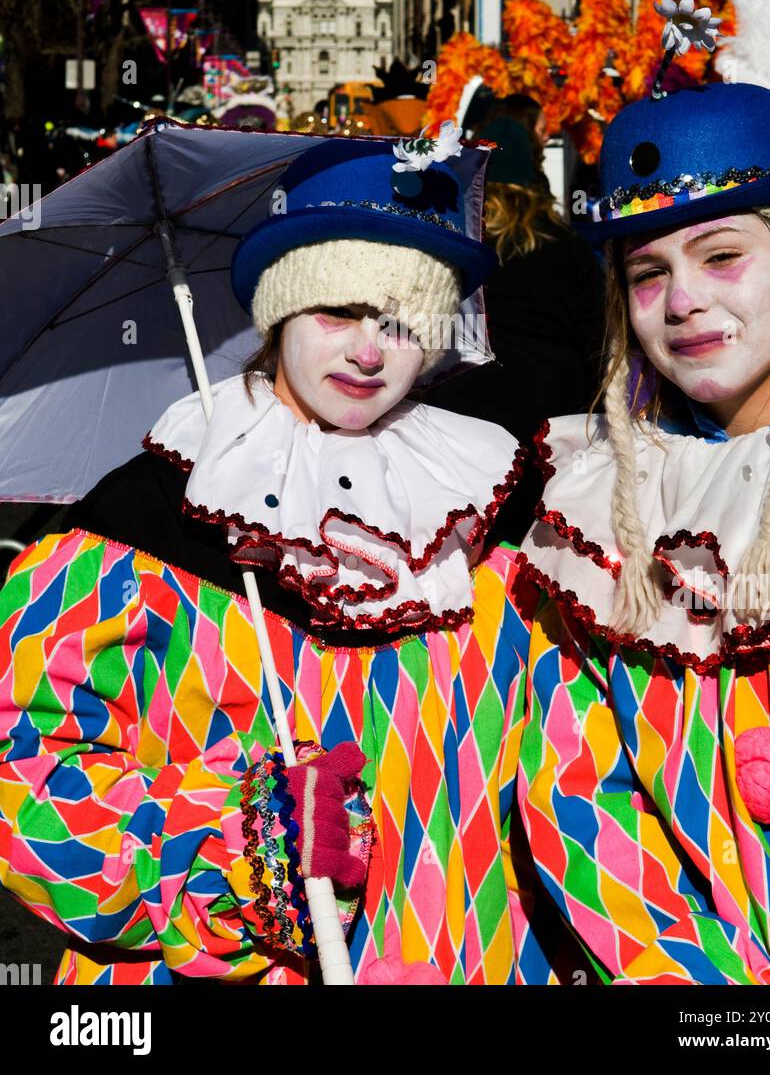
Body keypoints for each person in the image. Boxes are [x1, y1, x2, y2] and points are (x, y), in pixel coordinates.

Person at [0, 134, 558, 985]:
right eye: (336, 311)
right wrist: (236, 840)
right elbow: (26, 773)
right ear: (281, 309)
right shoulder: (140, 518)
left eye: (403, 323)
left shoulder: (491, 498)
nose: (368, 354)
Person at [513, 74, 770, 985]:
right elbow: (579, 801)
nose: (681, 303)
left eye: (720, 256)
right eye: (647, 274)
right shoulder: (594, 515)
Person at [433, 114, 606, 541]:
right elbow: (598, 338)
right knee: (539, 532)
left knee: (468, 527)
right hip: (551, 403)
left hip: (466, 399)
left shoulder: (459, 242)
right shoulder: (566, 245)